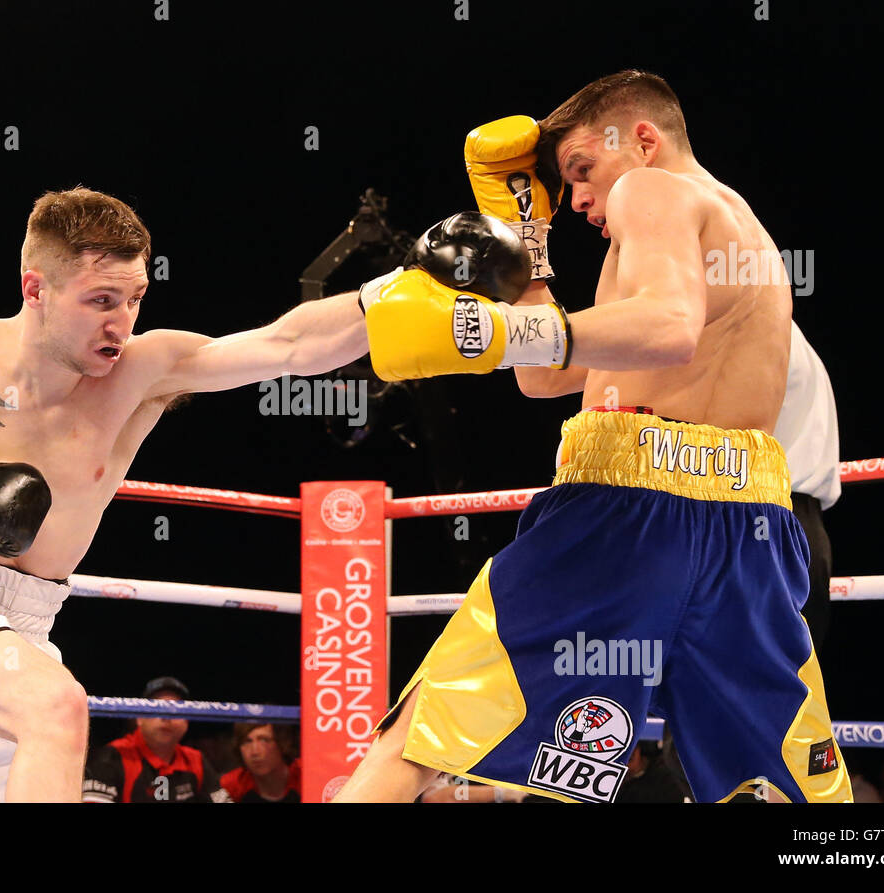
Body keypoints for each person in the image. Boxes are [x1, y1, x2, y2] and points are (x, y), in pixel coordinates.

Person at [338, 70, 851, 804]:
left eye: (582, 169)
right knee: (769, 779)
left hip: (628, 507)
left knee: (427, 725)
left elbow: (667, 329)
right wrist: (528, 242)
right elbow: (545, 377)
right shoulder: (738, 233)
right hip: (748, 526)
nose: (576, 198)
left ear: (642, 140)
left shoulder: (656, 190)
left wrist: (482, 327)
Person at [0, 188, 369, 802]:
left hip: (24, 619)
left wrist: (393, 294)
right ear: (36, 290)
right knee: (56, 709)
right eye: (101, 300)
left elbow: (289, 345)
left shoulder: (142, 373)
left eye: (135, 299)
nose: (121, 323)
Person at [772, 321, 841, 656]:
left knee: (755, 679)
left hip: (767, 517)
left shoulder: (752, 330)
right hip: (807, 527)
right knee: (798, 680)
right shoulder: (803, 347)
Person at [82, 677, 228, 803]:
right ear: (140, 718)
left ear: (186, 721)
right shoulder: (114, 755)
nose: (166, 718)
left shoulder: (195, 760)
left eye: (175, 710)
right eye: (157, 708)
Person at [220, 722, 301, 803]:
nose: (255, 752)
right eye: (247, 741)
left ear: (282, 743)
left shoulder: (305, 775)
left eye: (264, 740)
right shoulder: (230, 785)